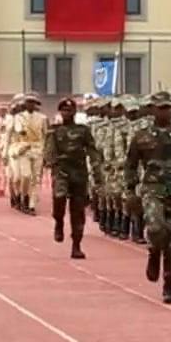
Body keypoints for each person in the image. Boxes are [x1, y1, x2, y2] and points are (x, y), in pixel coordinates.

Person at [125, 93, 171, 304]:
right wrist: (131, 191)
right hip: (153, 189)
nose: (164, 112)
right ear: (153, 110)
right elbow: (130, 165)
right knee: (156, 228)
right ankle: (153, 251)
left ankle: (169, 284)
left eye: (167, 108)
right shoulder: (141, 136)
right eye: (160, 108)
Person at [43, 96, 102, 258]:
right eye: (63, 110)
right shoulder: (54, 130)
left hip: (78, 173)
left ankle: (76, 245)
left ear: (75, 112)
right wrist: (51, 162)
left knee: (78, 211)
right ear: (60, 112)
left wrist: (97, 169)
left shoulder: (83, 131)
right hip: (61, 171)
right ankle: (59, 222)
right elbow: (49, 150)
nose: (66, 113)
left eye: (69, 110)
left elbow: (92, 150)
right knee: (59, 198)